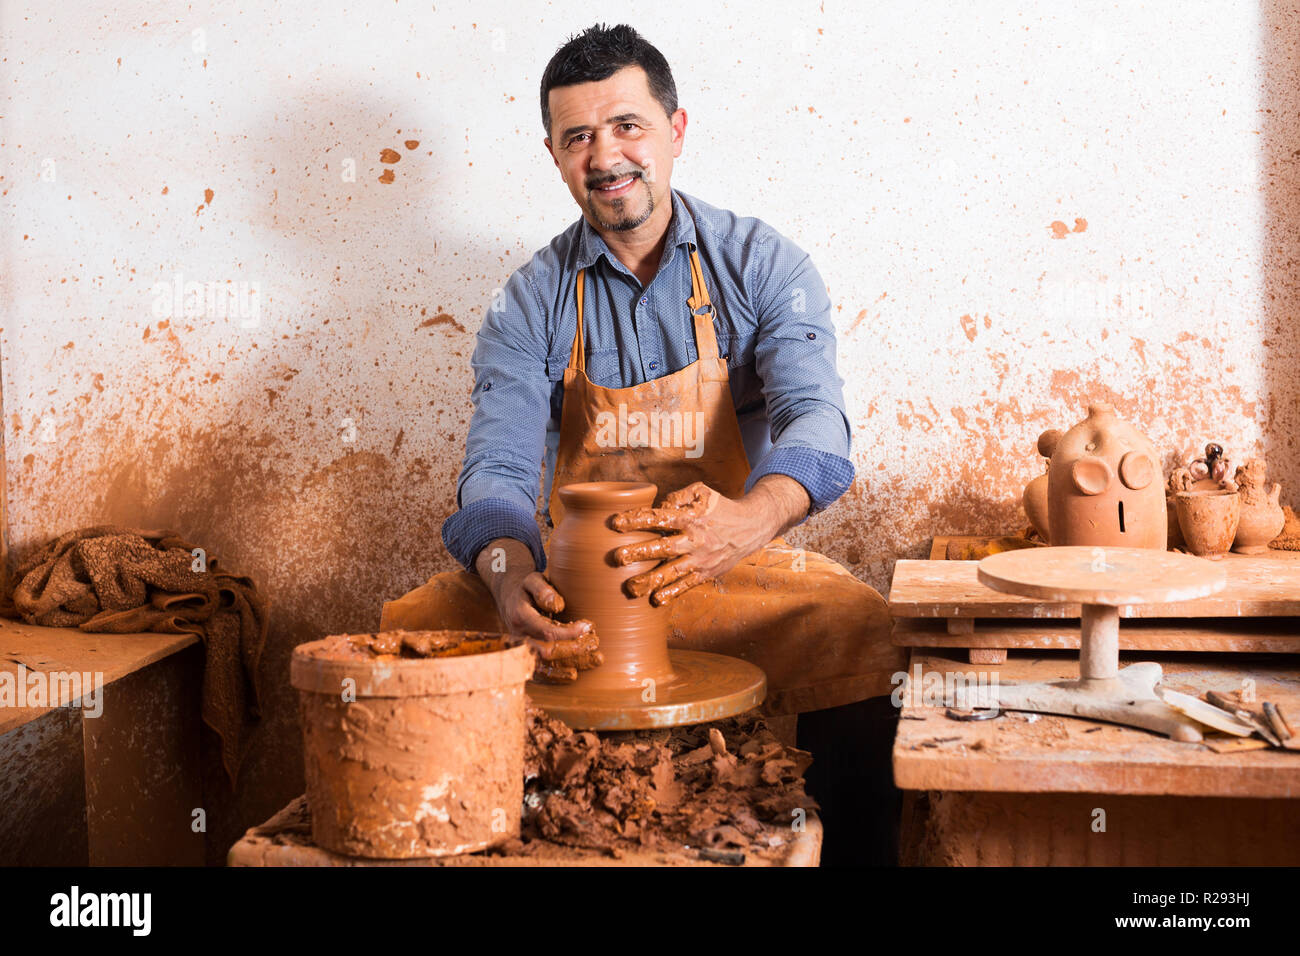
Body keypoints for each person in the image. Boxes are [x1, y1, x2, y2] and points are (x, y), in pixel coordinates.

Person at [381, 23, 907, 864]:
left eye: (627, 125)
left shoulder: (762, 264)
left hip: (727, 563)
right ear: (554, 154)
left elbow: (819, 420)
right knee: (415, 624)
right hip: (576, 586)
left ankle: (848, 858)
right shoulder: (527, 302)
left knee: (860, 625)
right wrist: (511, 575)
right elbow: (497, 467)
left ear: (676, 131)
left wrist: (750, 519)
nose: (606, 155)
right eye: (578, 136)